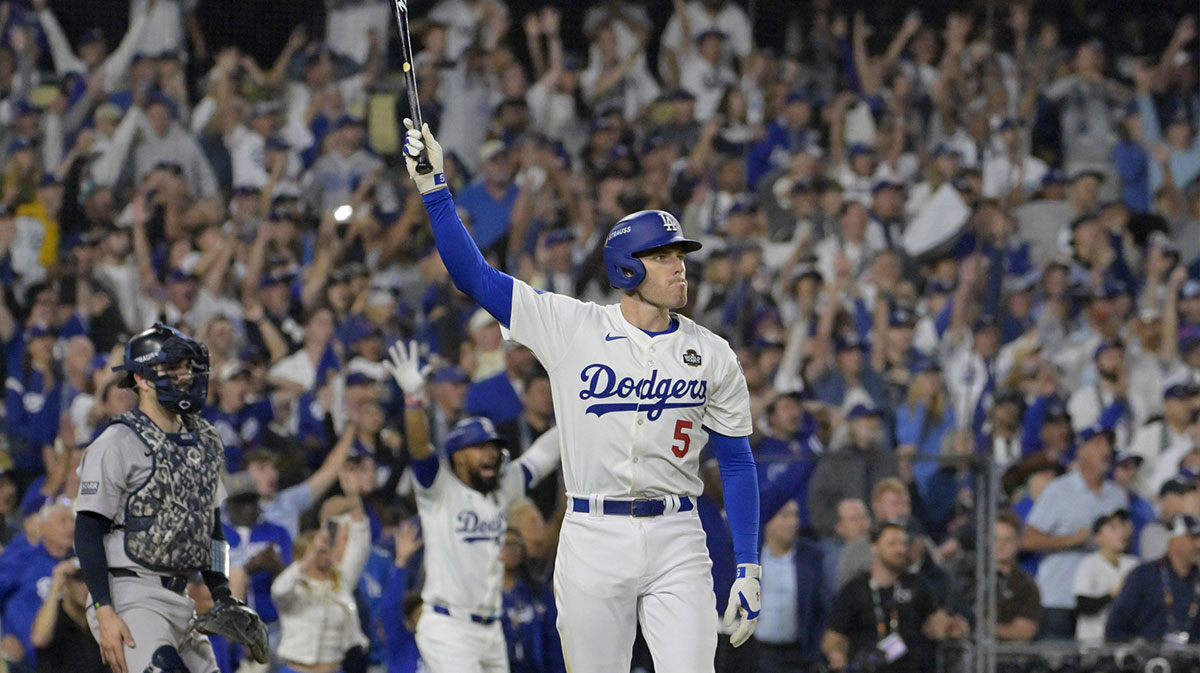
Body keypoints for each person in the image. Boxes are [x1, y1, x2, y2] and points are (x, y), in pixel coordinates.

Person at [402, 120, 761, 673]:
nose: (679, 264)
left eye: (679, 254)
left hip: (678, 532)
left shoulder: (712, 351)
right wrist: (435, 190)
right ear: (627, 266)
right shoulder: (572, 325)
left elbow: (736, 461)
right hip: (593, 531)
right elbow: (473, 276)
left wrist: (749, 564)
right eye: (663, 255)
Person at [73, 323, 267, 673]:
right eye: (173, 366)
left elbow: (212, 526)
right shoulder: (116, 441)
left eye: (187, 366)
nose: (185, 374)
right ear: (143, 379)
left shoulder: (204, 438)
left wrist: (221, 593)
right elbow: (87, 529)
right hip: (129, 592)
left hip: (182, 598)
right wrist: (104, 609)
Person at [385, 340, 563, 673]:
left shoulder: (503, 485)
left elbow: (544, 455)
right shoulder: (438, 489)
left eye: (493, 447)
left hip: (491, 628)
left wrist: (576, 409)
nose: (490, 453)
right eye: (478, 447)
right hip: (448, 627)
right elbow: (419, 446)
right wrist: (413, 400)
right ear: (456, 455)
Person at [1021, 425, 1127, 639]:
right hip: (1061, 596)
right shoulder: (1059, 490)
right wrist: (1071, 540)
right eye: (1098, 444)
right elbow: (1028, 539)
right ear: (1081, 451)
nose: (1105, 451)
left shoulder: (1117, 496)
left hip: (1101, 599)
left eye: (1108, 444)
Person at [822, 520, 965, 673]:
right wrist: (836, 653)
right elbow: (835, 635)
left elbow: (935, 620)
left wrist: (949, 627)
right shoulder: (855, 589)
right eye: (893, 544)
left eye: (904, 543)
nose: (901, 549)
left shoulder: (917, 584)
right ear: (874, 547)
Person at [1106, 514, 1200, 643]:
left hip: (1192, 660)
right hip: (1148, 659)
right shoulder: (1144, 575)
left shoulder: (1197, 579)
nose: (1198, 545)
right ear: (1173, 540)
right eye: (1193, 538)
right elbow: (1114, 628)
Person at [29, 558, 105, 673]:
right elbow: (39, 639)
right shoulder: (54, 615)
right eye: (79, 579)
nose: (86, 587)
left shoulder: (98, 618)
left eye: (90, 578)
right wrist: (55, 586)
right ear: (66, 581)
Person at [1073, 509, 1137, 643]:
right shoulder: (1089, 564)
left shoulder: (1134, 564)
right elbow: (1083, 606)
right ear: (1098, 537)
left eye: (1122, 526)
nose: (1120, 532)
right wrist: (1113, 594)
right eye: (1113, 528)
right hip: (1093, 640)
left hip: (1125, 640)